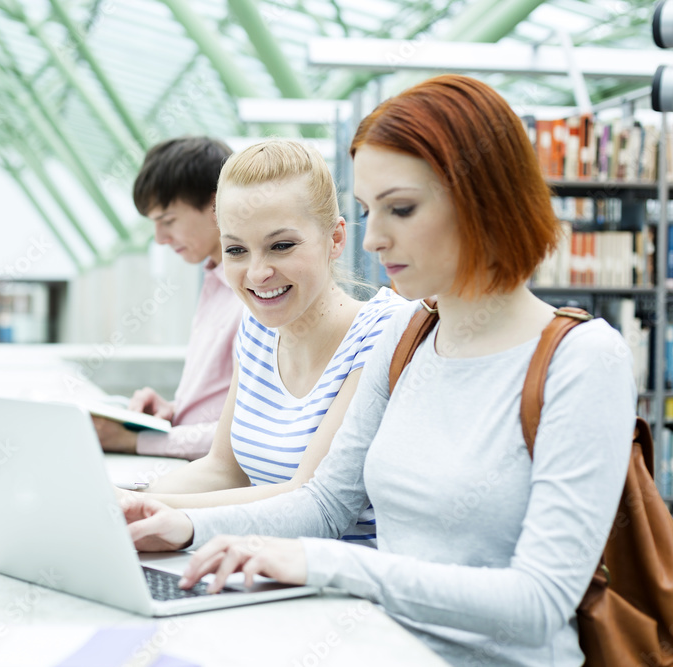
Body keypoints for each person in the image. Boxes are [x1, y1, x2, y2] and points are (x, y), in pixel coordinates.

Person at [122, 75, 636, 666]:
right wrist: (182, 527)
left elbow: (539, 600)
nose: (375, 240)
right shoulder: (406, 332)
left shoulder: (584, 361)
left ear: (483, 198)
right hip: (376, 644)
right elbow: (324, 505)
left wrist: (326, 563)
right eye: (369, 210)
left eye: (402, 208)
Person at [127, 139, 404, 545]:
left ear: (336, 239)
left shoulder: (382, 334)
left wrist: (158, 511)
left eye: (281, 246)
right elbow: (224, 468)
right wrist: (135, 499)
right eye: (236, 250)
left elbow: (309, 498)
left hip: (334, 588)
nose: (257, 274)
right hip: (257, 569)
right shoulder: (256, 330)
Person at [92, 137, 242, 460]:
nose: (160, 238)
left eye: (168, 221)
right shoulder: (215, 282)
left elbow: (250, 432)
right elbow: (222, 407)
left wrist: (132, 441)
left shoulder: (255, 298)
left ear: (217, 207)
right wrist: (173, 412)